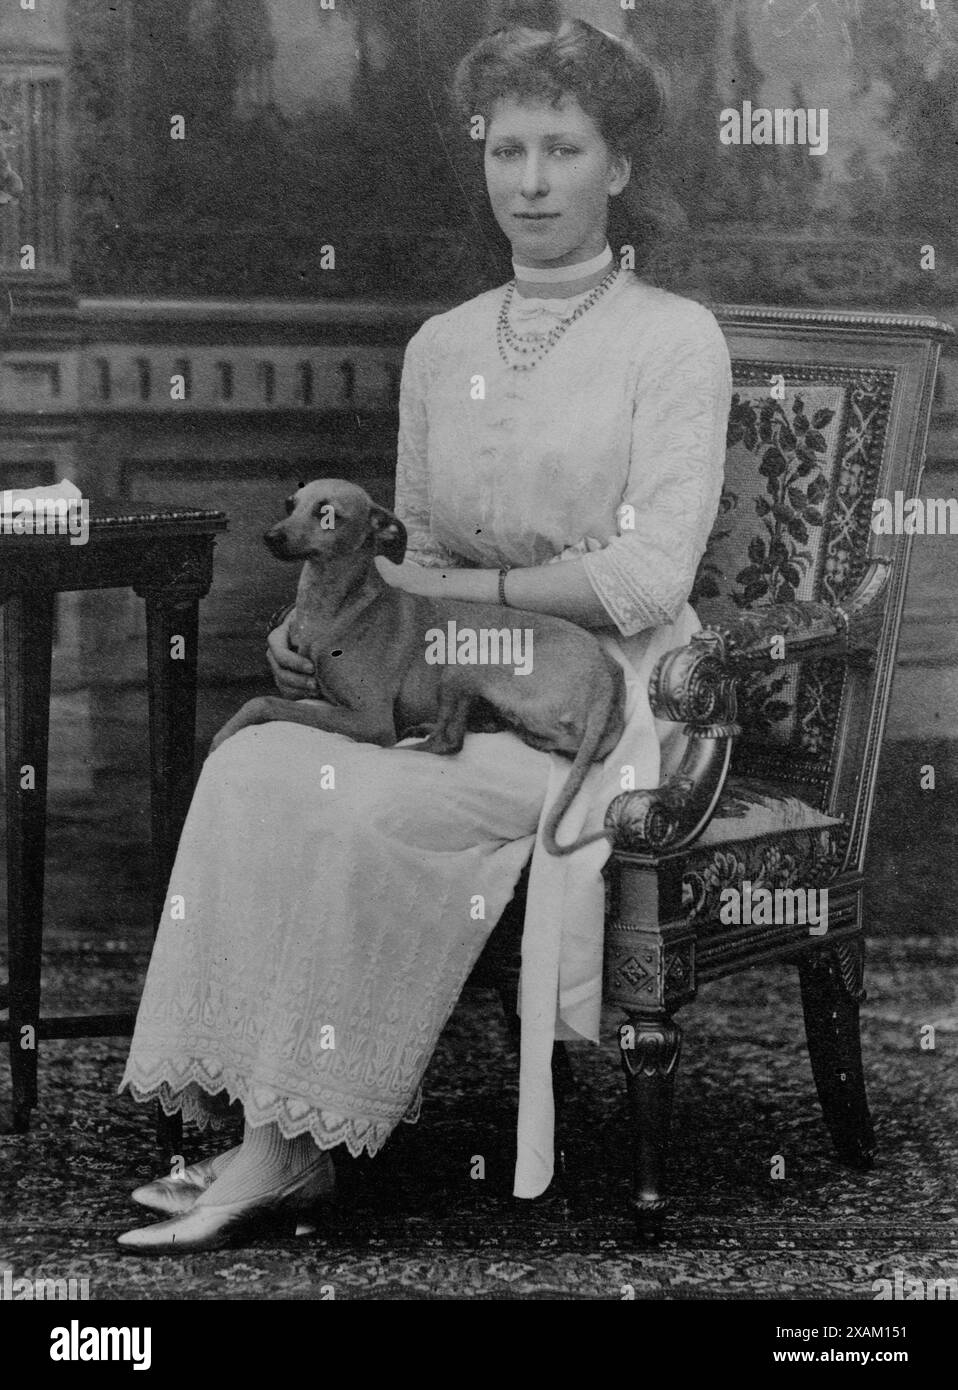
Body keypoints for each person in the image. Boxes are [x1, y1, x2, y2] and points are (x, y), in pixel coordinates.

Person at [117, 16, 731, 1252]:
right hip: (440, 671)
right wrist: (321, 645)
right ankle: (258, 1112)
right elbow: (411, 568)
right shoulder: (441, 344)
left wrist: (484, 610)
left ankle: (288, 1153)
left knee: (359, 802)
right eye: (509, 149)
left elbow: (648, 573)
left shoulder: (674, 339)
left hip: (603, 695)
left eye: (563, 149)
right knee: (248, 763)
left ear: (617, 168)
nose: (532, 180)